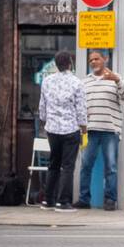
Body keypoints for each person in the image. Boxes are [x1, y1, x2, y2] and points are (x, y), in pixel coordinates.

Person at [78, 50, 124, 211]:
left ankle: (110, 200)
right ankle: (84, 200)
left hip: (110, 130)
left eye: (97, 59)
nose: (93, 62)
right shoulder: (84, 82)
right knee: (86, 165)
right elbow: (80, 105)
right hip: (90, 130)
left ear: (105, 59)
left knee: (111, 167)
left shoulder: (115, 78)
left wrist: (117, 81)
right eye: (91, 60)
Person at [39, 49, 87, 211]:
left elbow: (42, 107)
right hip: (70, 129)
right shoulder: (76, 82)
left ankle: (48, 200)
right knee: (67, 166)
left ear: (56, 64)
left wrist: (47, 120)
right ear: (69, 63)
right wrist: (84, 128)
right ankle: (63, 201)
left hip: (52, 129)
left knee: (53, 164)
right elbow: (80, 109)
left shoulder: (47, 81)